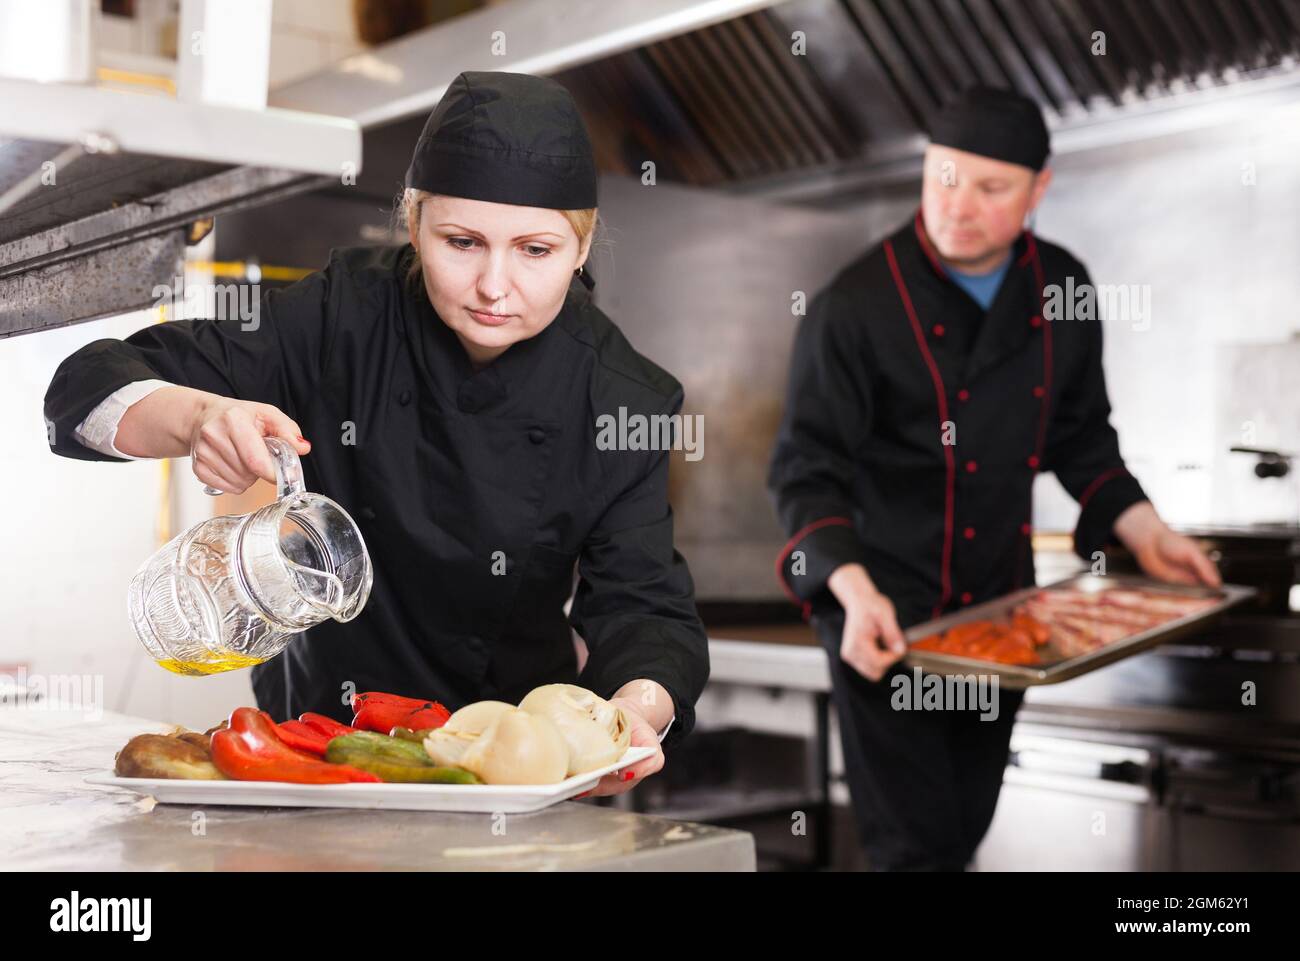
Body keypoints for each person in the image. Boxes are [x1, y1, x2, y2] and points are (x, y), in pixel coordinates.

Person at [45, 71, 709, 797]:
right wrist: (199, 416)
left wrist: (628, 718)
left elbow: (643, 605)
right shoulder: (340, 317)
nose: (494, 285)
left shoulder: (621, 394)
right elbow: (85, 386)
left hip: (511, 776)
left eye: (536, 251)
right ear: (414, 222)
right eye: (461, 241)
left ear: (581, 249)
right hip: (313, 754)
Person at [767, 85, 1219, 866]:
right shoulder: (855, 305)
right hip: (887, 621)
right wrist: (850, 588)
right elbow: (806, 470)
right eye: (943, 175)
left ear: (1039, 189)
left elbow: (1082, 438)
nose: (958, 205)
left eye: (990, 186)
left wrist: (1148, 531)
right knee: (913, 849)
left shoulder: (1064, 286)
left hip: (1000, 617)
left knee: (963, 832)